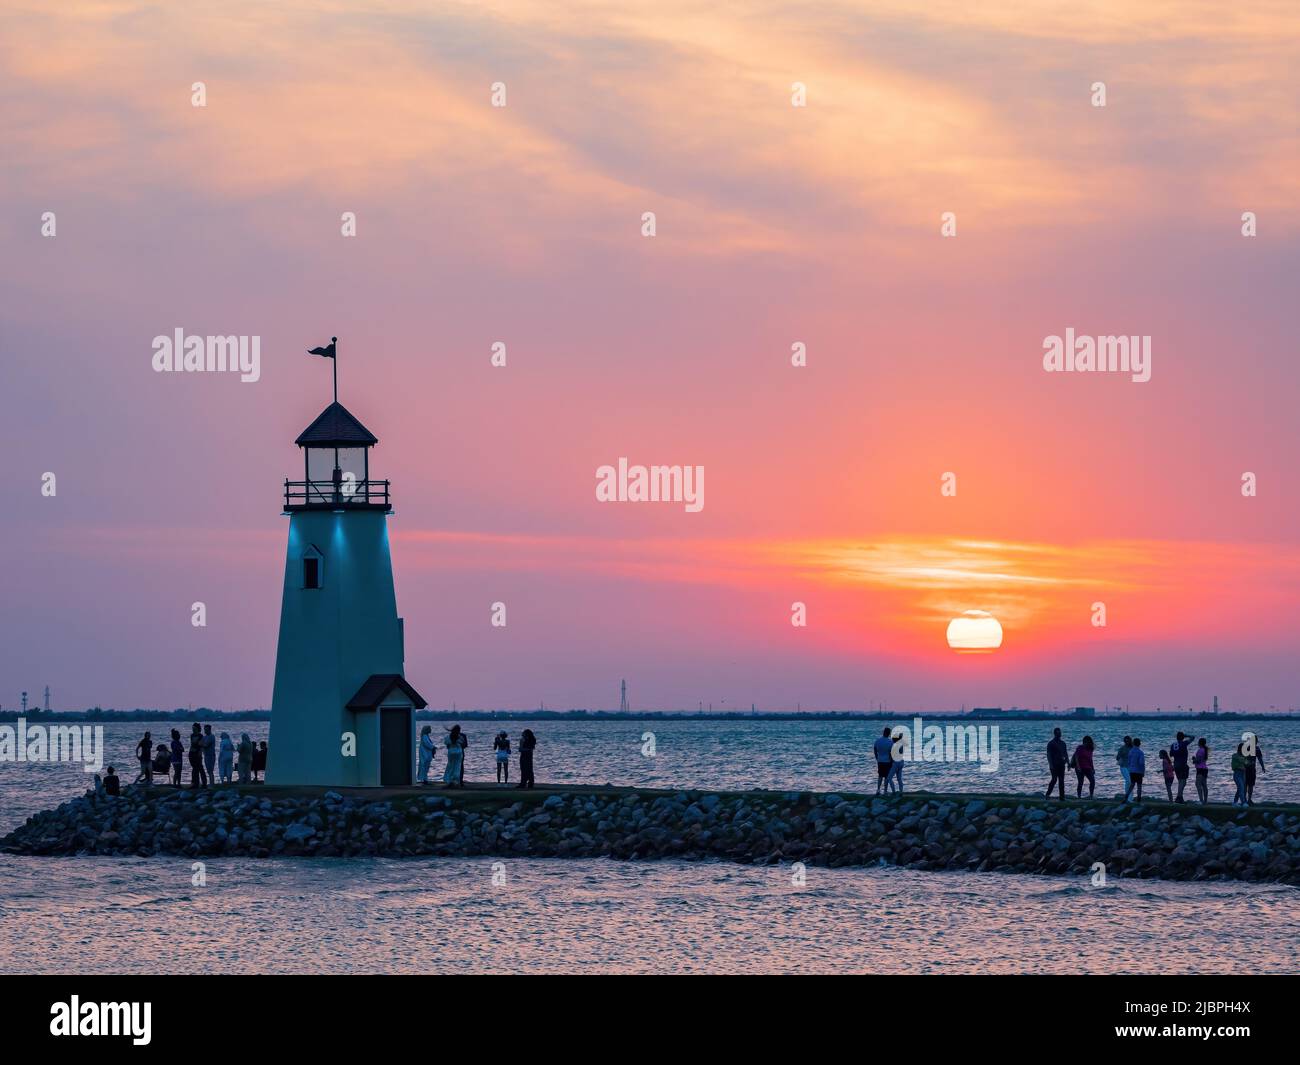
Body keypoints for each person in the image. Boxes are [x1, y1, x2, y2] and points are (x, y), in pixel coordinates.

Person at [1169, 731, 1193, 803]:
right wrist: (1186, 735)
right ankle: (1179, 797)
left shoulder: (1173, 745)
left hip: (1176, 764)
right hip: (1182, 764)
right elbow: (1193, 737)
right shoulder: (1184, 743)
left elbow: (1171, 754)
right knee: (1183, 781)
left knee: (1181, 781)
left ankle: (1180, 796)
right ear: (1183, 738)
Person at [1046, 727, 1068, 799]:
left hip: (1061, 765)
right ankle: (1048, 794)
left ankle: (1062, 797)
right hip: (1054, 765)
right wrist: (1051, 765)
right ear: (1055, 734)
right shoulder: (1051, 743)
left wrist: (1068, 763)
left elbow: (1065, 754)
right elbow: (1048, 755)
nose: (1059, 734)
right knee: (1054, 779)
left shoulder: (1063, 743)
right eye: (1058, 733)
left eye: (1060, 732)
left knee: (1061, 781)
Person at [1244, 734, 1266, 805]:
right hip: (1249, 769)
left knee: (1247, 785)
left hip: (1247, 769)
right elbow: (1260, 759)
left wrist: (1262, 766)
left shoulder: (1247, 748)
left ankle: (1246, 800)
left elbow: (1242, 758)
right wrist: (1263, 767)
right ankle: (1248, 799)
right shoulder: (1256, 748)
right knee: (1249, 785)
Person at [873, 727, 894, 795]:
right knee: (886, 777)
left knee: (880, 776)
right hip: (887, 761)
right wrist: (891, 761)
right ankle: (885, 790)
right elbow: (891, 753)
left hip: (880, 761)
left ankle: (878, 790)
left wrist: (877, 758)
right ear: (889, 733)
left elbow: (875, 750)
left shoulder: (877, 741)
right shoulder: (890, 742)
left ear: (883, 732)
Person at [1124, 738, 1145, 803]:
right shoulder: (1140, 752)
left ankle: (1126, 796)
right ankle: (1138, 799)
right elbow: (1141, 763)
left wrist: (1130, 769)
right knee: (1139, 785)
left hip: (1132, 771)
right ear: (1139, 744)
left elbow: (1129, 762)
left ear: (1133, 743)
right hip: (1138, 771)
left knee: (1132, 784)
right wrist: (1143, 771)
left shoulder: (1130, 751)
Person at [188, 723, 206, 788]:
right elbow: (193, 744)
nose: (193, 730)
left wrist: (200, 752)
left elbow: (200, 745)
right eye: (193, 729)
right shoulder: (192, 735)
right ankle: (195, 783)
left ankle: (203, 783)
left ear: (198, 729)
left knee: (200, 768)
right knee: (194, 768)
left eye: (194, 729)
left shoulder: (201, 736)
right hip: (192, 753)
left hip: (197, 753)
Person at [1193, 738, 1210, 803]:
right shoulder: (1205, 750)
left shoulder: (1200, 750)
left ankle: (1201, 800)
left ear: (1199, 743)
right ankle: (1205, 800)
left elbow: (1198, 760)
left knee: (1198, 784)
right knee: (1204, 785)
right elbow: (1203, 759)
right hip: (1204, 769)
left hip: (1200, 769)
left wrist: (1194, 760)